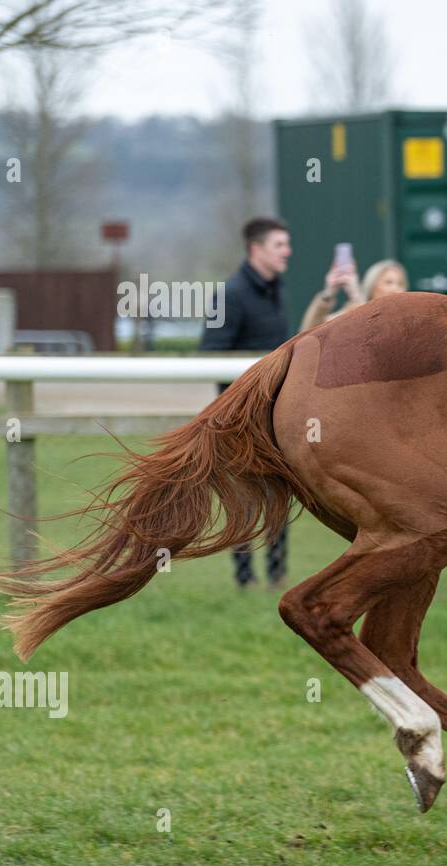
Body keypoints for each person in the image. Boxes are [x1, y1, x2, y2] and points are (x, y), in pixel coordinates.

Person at [199, 216, 293, 588]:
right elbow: (210, 354)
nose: (288, 251)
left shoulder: (276, 291)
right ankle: (244, 580)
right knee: (243, 502)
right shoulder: (231, 293)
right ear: (256, 250)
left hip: (276, 415)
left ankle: (276, 575)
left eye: (287, 244)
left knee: (279, 498)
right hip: (240, 419)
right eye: (279, 245)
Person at [299, 257, 409, 332]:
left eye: (400, 284)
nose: (396, 289)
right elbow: (309, 333)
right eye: (388, 282)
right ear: (371, 287)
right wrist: (328, 293)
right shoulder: (350, 314)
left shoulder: (409, 318)